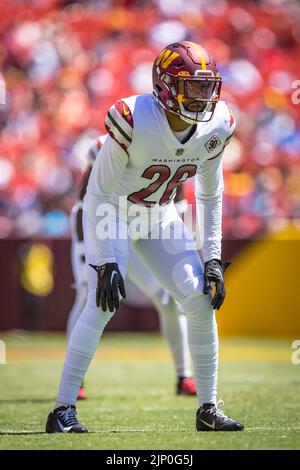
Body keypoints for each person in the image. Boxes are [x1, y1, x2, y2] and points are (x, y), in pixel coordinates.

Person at [46, 41, 244, 433]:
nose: (202, 97)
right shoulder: (133, 117)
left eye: (207, 87)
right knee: (100, 303)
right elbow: (97, 194)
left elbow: (209, 194)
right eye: (192, 87)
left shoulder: (219, 122)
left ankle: (208, 407)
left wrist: (213, 259)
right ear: (167, 86)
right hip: (114, 214)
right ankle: (62, 410)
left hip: (161, 216)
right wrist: (103, 262)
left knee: (199, 299)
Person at [67, 136, 196, 400]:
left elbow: (179, 200)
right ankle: (75, 381)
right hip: (107, 226)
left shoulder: (172, 145)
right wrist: (86, 248)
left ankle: (184, 376)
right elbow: (86, 202)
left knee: (169, 299)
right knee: (88, 296)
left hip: (147, 226)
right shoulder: (110, 143)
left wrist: (187, 243)